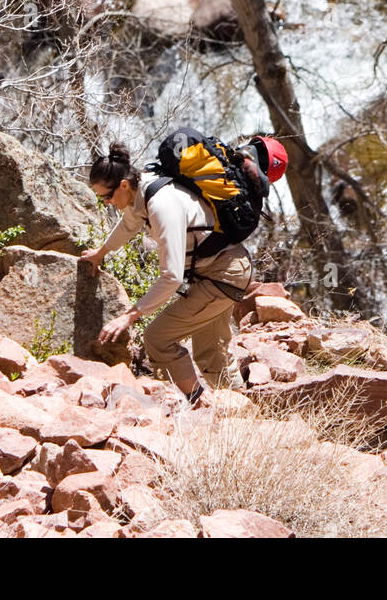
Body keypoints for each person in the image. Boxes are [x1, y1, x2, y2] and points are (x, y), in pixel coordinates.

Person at [81, 139, 258, 409]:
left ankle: (200, 406)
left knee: (157, 338)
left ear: (124, 185)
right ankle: (245, 415)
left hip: (223, 275)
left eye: (107, 197)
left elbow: (171, 276)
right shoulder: (144, 188)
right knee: (211, 354)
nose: (107, 203)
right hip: (220, 271)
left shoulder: (162, 205)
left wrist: (130, 316)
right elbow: (128, 225)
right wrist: (101, 253)